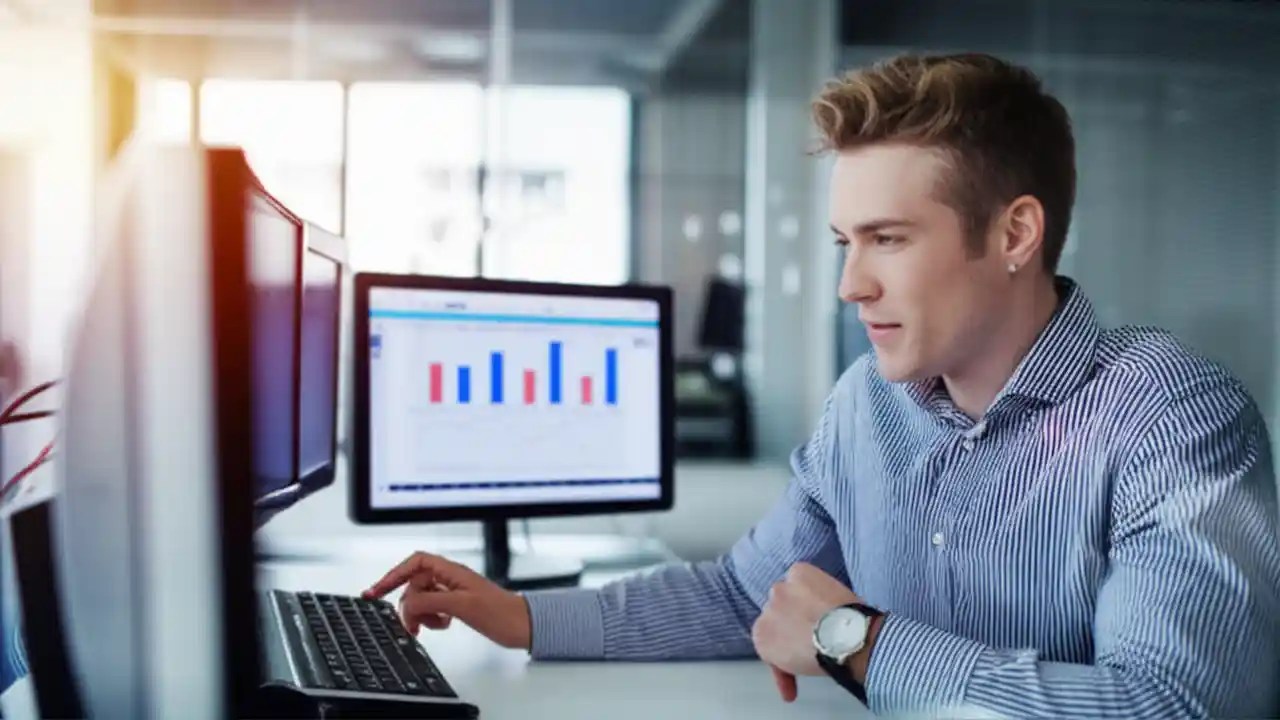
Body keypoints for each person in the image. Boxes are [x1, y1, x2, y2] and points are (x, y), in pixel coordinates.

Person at [364, 53, 1280, 718]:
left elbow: (1170, 708)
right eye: (847, 244)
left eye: (889, 239)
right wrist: (520, 616)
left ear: (1014, 235)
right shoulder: (866, 404)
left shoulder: (1173, 416)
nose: (851, 286)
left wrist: (853, 640)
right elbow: (747, 596)